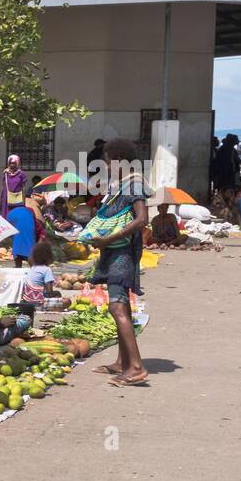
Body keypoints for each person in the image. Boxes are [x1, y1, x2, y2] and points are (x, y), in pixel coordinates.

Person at [87, 138, 150, 385]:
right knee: (121, 306)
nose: (107, 165)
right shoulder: (122, 184)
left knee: (117, 307)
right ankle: (122, 361)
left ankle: (135, 367)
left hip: (122, 254)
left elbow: (141, 219)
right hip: (114, 252)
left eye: (108, 161)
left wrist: (109, 238)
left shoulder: (134, 184)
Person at [19, 241, 56, 323]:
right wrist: (55, 296)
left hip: (26, 301)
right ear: (48, 256)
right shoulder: (47, 270)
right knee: (66, 301)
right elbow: (49, 292)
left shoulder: (32, 268)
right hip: (38, 304)